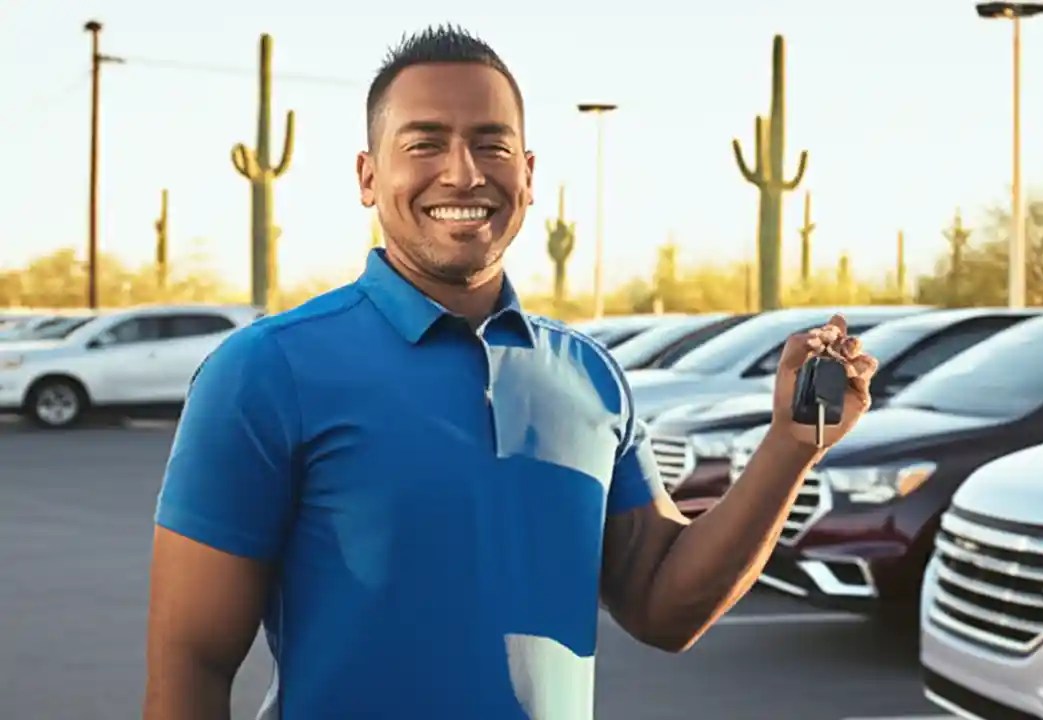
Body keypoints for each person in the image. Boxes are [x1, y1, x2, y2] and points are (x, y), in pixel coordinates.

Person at [142, 25, 878, 720]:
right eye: (424, 143)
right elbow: (191, 665)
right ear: (369, 176)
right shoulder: (265, 371)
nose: (462, 172)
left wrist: (791, 446)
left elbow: (664, 608)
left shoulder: (590, 377)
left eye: (491, 145)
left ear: (527, 176)